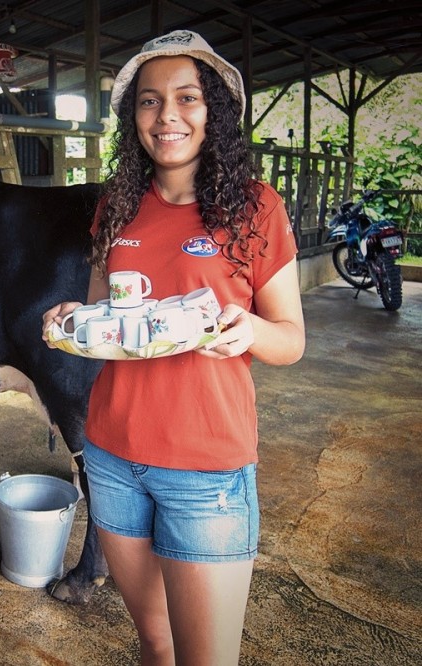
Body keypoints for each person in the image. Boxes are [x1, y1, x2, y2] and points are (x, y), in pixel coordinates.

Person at [42, 31, 305, 665]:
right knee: (155, 644)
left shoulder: (255, 209)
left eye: (187, 97)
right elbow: (107, 320)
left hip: (207, 471)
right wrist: (76, 320)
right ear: (133, 117)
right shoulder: (117, 208)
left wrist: (249, 330)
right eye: (149, 101)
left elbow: (290, 339)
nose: (167, 117)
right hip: (111, 456)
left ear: (213, 110)